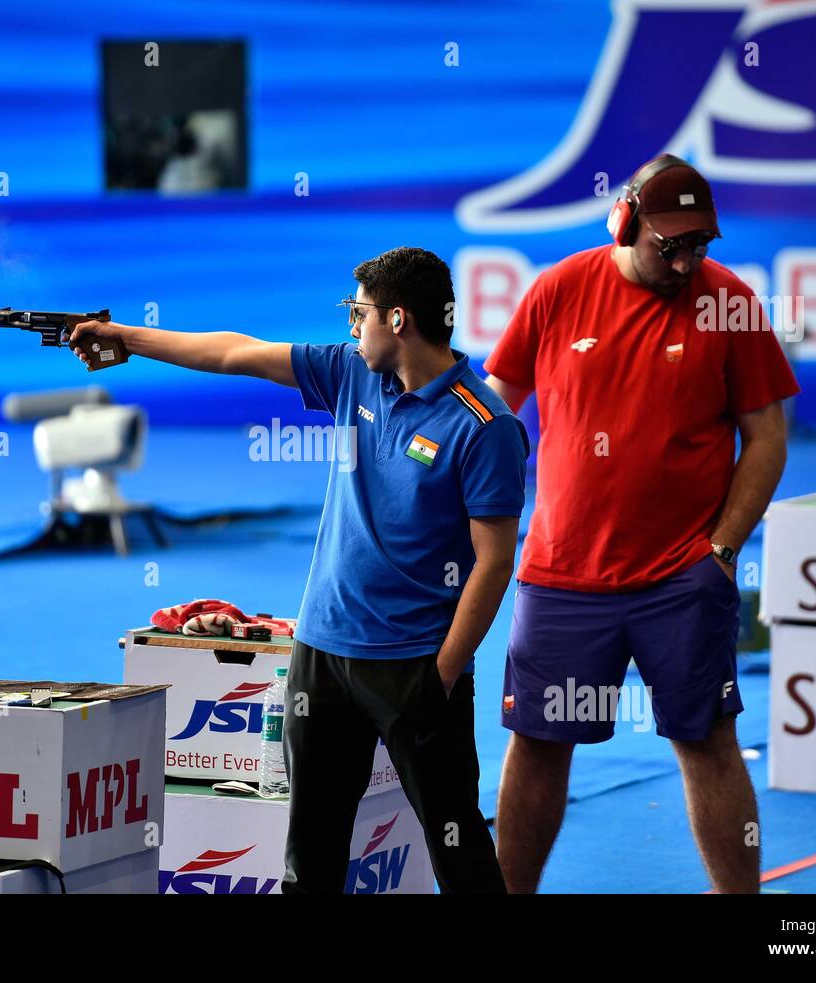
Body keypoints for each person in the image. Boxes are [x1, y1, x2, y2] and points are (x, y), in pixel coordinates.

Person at [70, 246, 528, 893]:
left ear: (398, 319)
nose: (351, 325)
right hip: (322, 654)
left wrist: (443, 672)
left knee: (460, 854)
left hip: (416, 666)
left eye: (359, 313)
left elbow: (495, 560)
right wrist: (125, 337)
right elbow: (234, 352)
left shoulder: (484, 426)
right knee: (309, 861)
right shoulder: (350, 372)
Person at [484, 155, 799, 893]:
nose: (687, 262)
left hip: (682, 578)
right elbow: (495, 406)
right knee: (537, 743)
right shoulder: (558, 289)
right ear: (625, 223)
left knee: (708, 742)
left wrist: (723, 548)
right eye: (672, 246)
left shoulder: (730, 304)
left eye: (700, 245)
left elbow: (767, 438)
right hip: (561, 574)